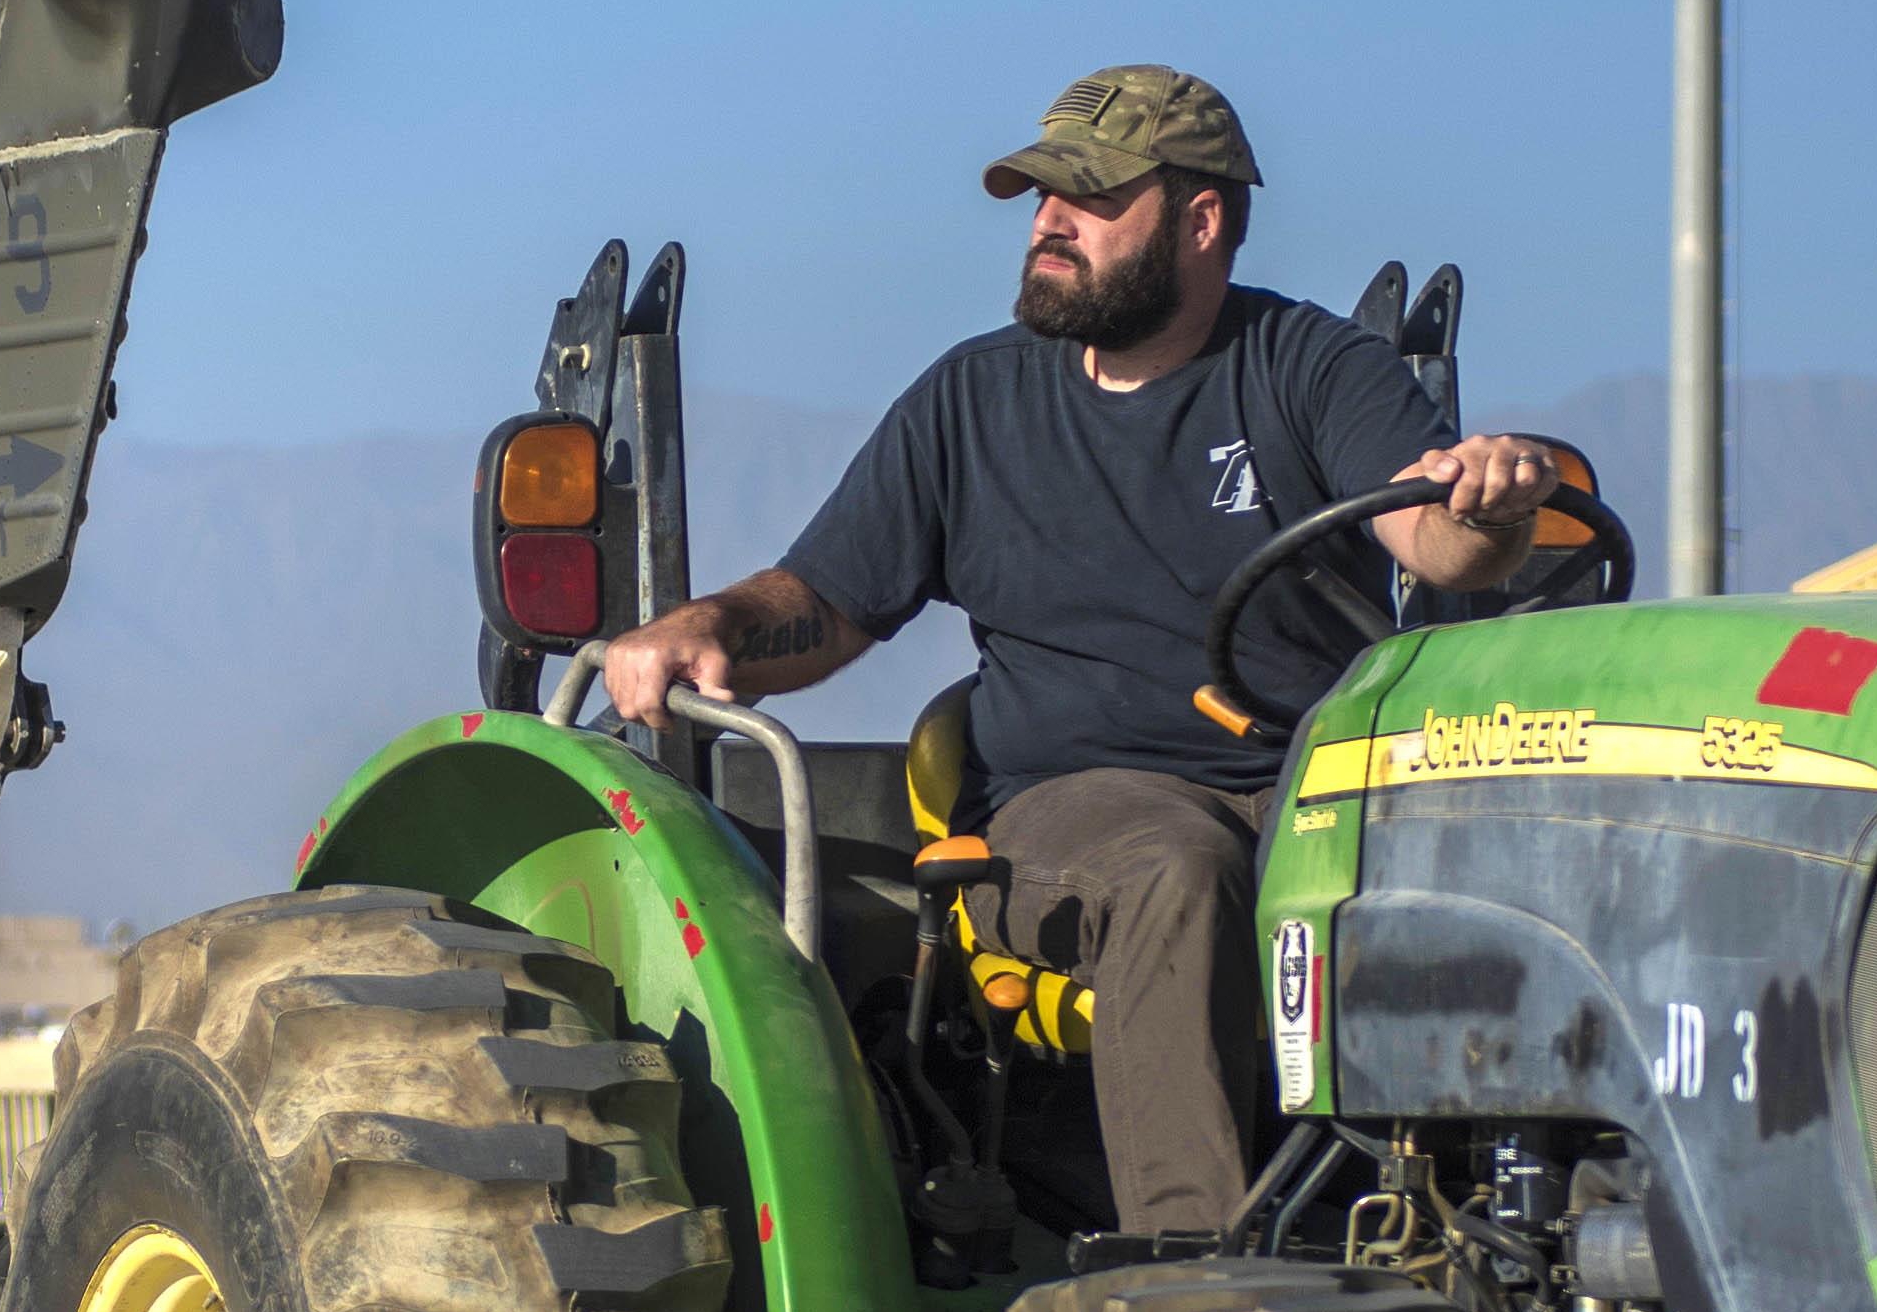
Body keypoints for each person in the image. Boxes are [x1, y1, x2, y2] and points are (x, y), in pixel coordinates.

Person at [598, 64, 1578, 1244]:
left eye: (1086, 198)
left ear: (1199, 220)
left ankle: (1522, 1236)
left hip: (1308, 789)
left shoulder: (1306, 366)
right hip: (1075, 808)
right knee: (1176, 866)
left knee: (1521, 845)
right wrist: (713, 625)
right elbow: (829, 597)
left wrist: (1488, 500)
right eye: (1037, 198)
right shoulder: (972, 400)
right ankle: (1198, 1271)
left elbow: (1434, 538)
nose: (1046, 224)